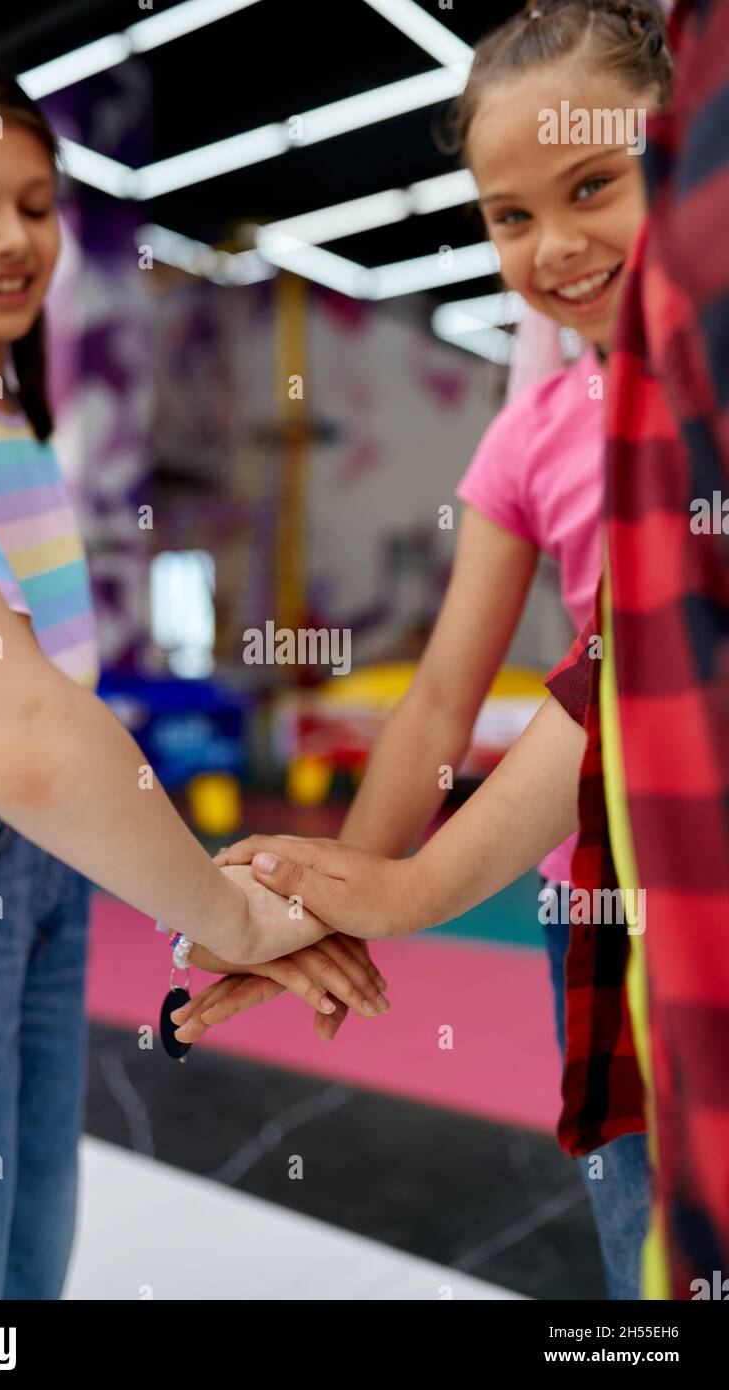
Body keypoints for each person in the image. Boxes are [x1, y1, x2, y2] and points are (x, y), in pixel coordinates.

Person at [0, 9, 384, 1299]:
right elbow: (11, 725)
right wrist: (224, 908)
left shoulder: (14, 421)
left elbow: (48, 710)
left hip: (37, 857)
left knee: (31, 1226)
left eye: (38, 206)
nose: (10, 237)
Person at [218, 0, 729, 1296]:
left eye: (591, 185)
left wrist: (397, 891)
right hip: (593, 897)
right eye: (509, 215)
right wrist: (334, 902)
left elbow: (642, 661)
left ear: (680, 150)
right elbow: (443, 695)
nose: (553, 245)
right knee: (650, 1246)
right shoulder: (532, 434)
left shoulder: (707, 380)